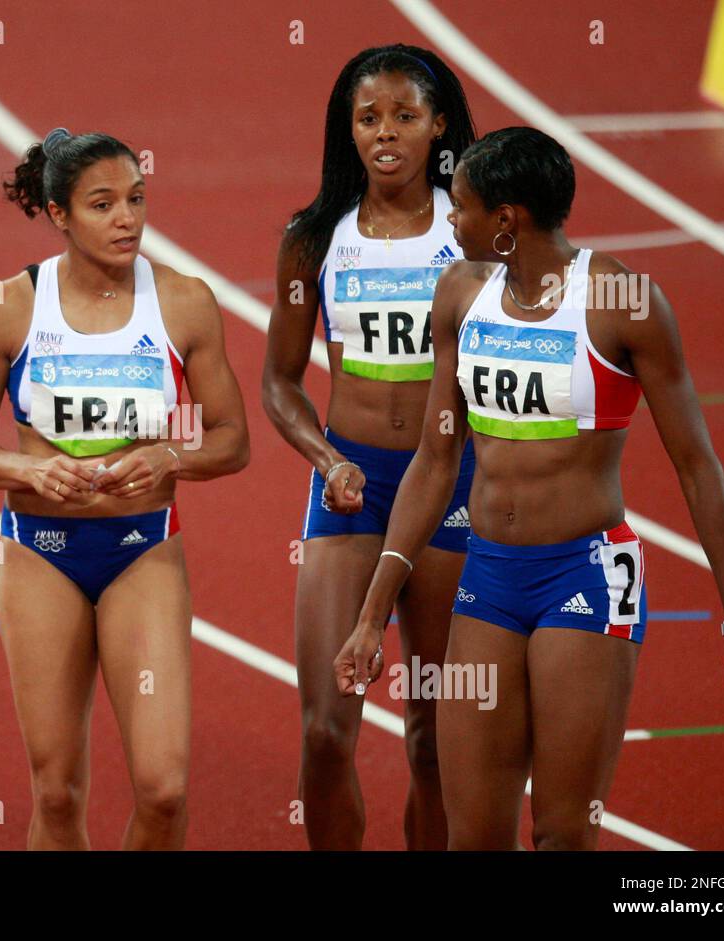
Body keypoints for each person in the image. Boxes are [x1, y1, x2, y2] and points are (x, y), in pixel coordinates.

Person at [334, 126, 724, 850]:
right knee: (472, 834)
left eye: (465, 207)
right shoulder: (458, 293)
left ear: (506, 220)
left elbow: (699, 467)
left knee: (563, 834)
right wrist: (371, 612)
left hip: (588, 574)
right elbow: (435, 459)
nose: (452, 220)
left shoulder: (622, 302)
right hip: (488, 578)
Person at [0, 128, 248, 850]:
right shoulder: (13, 306)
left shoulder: (182, 303)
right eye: (104, 204)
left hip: (142, 549)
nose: (128, 219)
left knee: (165, 790)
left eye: (137, 199)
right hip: (41, 553)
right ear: (59, 213)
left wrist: (171, 455)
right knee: (56, 792)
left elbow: (231, 437)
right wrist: (28, 469)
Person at [262, 44, 477, 849]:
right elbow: (280, 382)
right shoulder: (314, 238)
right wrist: (326, 459)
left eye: (404, 116)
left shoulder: (475, 236)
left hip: (453, 488)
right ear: (346, 130)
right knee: (324, 728)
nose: (384, 133)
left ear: (438, 125)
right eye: (367, 118)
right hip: (352, 486)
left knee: (433, 736)